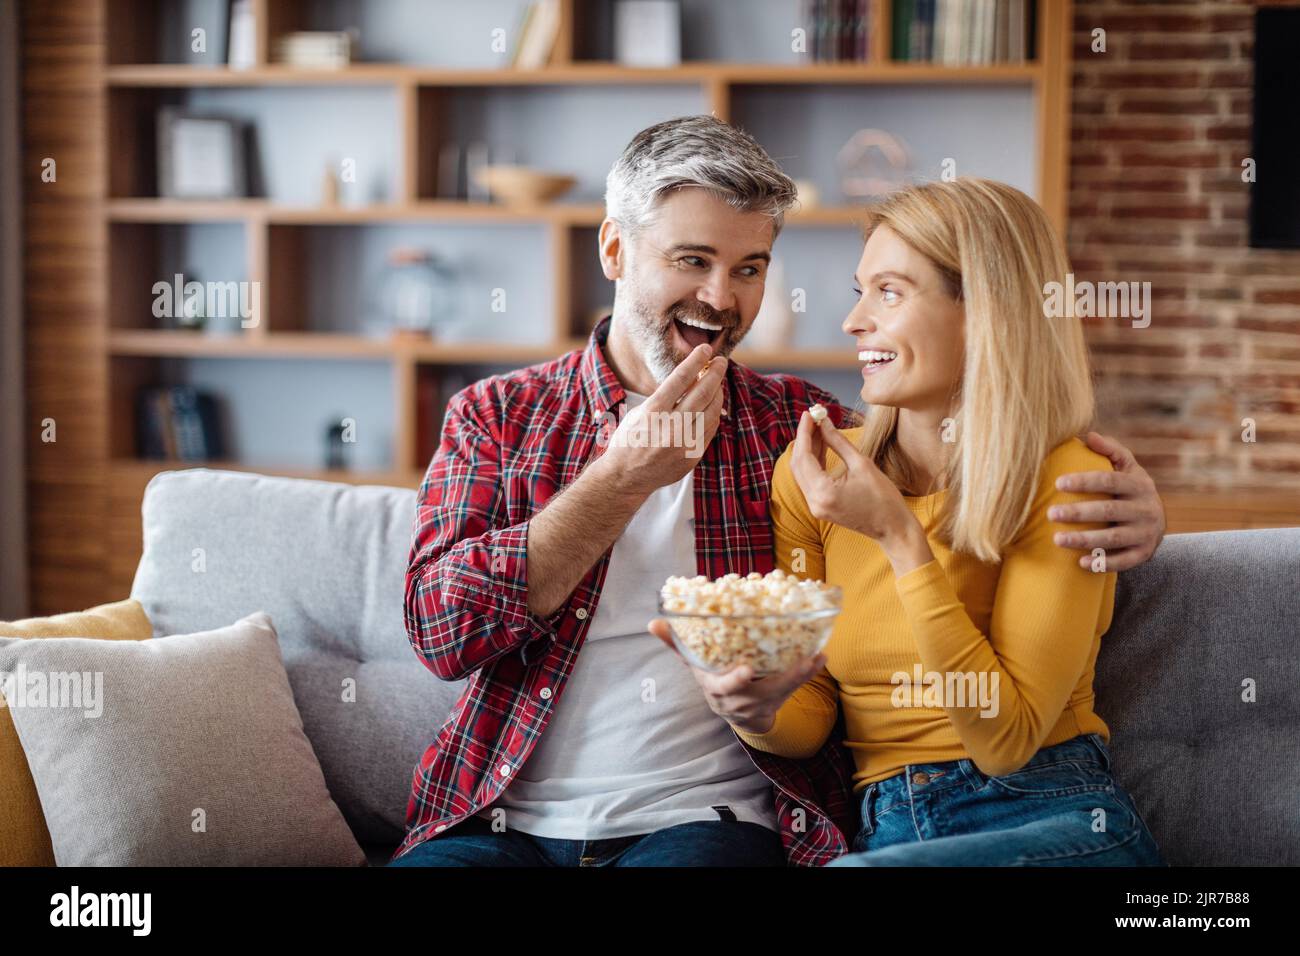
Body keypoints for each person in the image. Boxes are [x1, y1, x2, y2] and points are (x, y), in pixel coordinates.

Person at [390, 117, 1167, 867]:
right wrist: (620, 480)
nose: (721, 300)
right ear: (616, 249)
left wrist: (1141, 511)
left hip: (709, 819)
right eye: (692, 260)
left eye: (750, 268)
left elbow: (967, 445)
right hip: (497, 816)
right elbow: (439, 632)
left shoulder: (801, 431)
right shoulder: (498, 416)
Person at [661, 178, 1164, 866]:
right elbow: (811, 713)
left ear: (987, 311)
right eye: (859, 291)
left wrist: (900, 538)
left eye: (890, 293)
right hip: (888, 828)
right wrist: (753, 710)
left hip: (1052, 812)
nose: (855, 321)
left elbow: (1005, 738)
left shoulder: (1062, 476)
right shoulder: (812, 475)